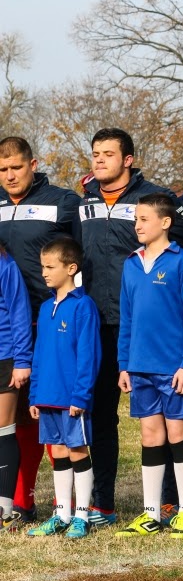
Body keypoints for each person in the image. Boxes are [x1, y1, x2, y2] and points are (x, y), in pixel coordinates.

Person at [79, 127, 183, 529]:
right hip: (99, 326)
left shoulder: (156, 200)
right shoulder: (81, 201)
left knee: (166, 423)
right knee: (101, 416)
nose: (98, 160)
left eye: (107, 154)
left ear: (127, 159)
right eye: (95, 153)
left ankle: (170, 504)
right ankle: (103, 503)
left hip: (154, 337)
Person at [0, 136, 81, 526]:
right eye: (2, 170)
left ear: (33, 164)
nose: (10, 175)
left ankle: (76, 504)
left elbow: (84, 254)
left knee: (52, 409)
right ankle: (20, 500)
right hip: (9, 330)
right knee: (17, 420)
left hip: (51, 323)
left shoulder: (62, 201)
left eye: (16, 167)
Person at [114, 193, 183, 538]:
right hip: (139, 367)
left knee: (178, 433)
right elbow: (127, 318)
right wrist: (124, 364)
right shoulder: (131, 264)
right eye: (136, 219)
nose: (137, 225)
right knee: (151, 436)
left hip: (173, 368)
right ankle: (151, 513)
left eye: (144, 219)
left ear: (165, 223)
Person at [25, 238, 99, 538]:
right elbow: (39, 353)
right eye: (42, 266)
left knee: (77, 449)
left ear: (71, 268)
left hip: (72, 398)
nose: (44, 272)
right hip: (48, 397)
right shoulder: (45, 308)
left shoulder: (84, 306)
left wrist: (80, 395)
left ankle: (82, 516)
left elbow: (88, 355)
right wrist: (35, 394)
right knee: (57, 450)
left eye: (50, 266)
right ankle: (62, 515)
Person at [0, 238, 32, 528]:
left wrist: (22, 360)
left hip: (4, 356)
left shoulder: (6, 265)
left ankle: (5, 508)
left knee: (3, 429)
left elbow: (19, 313)